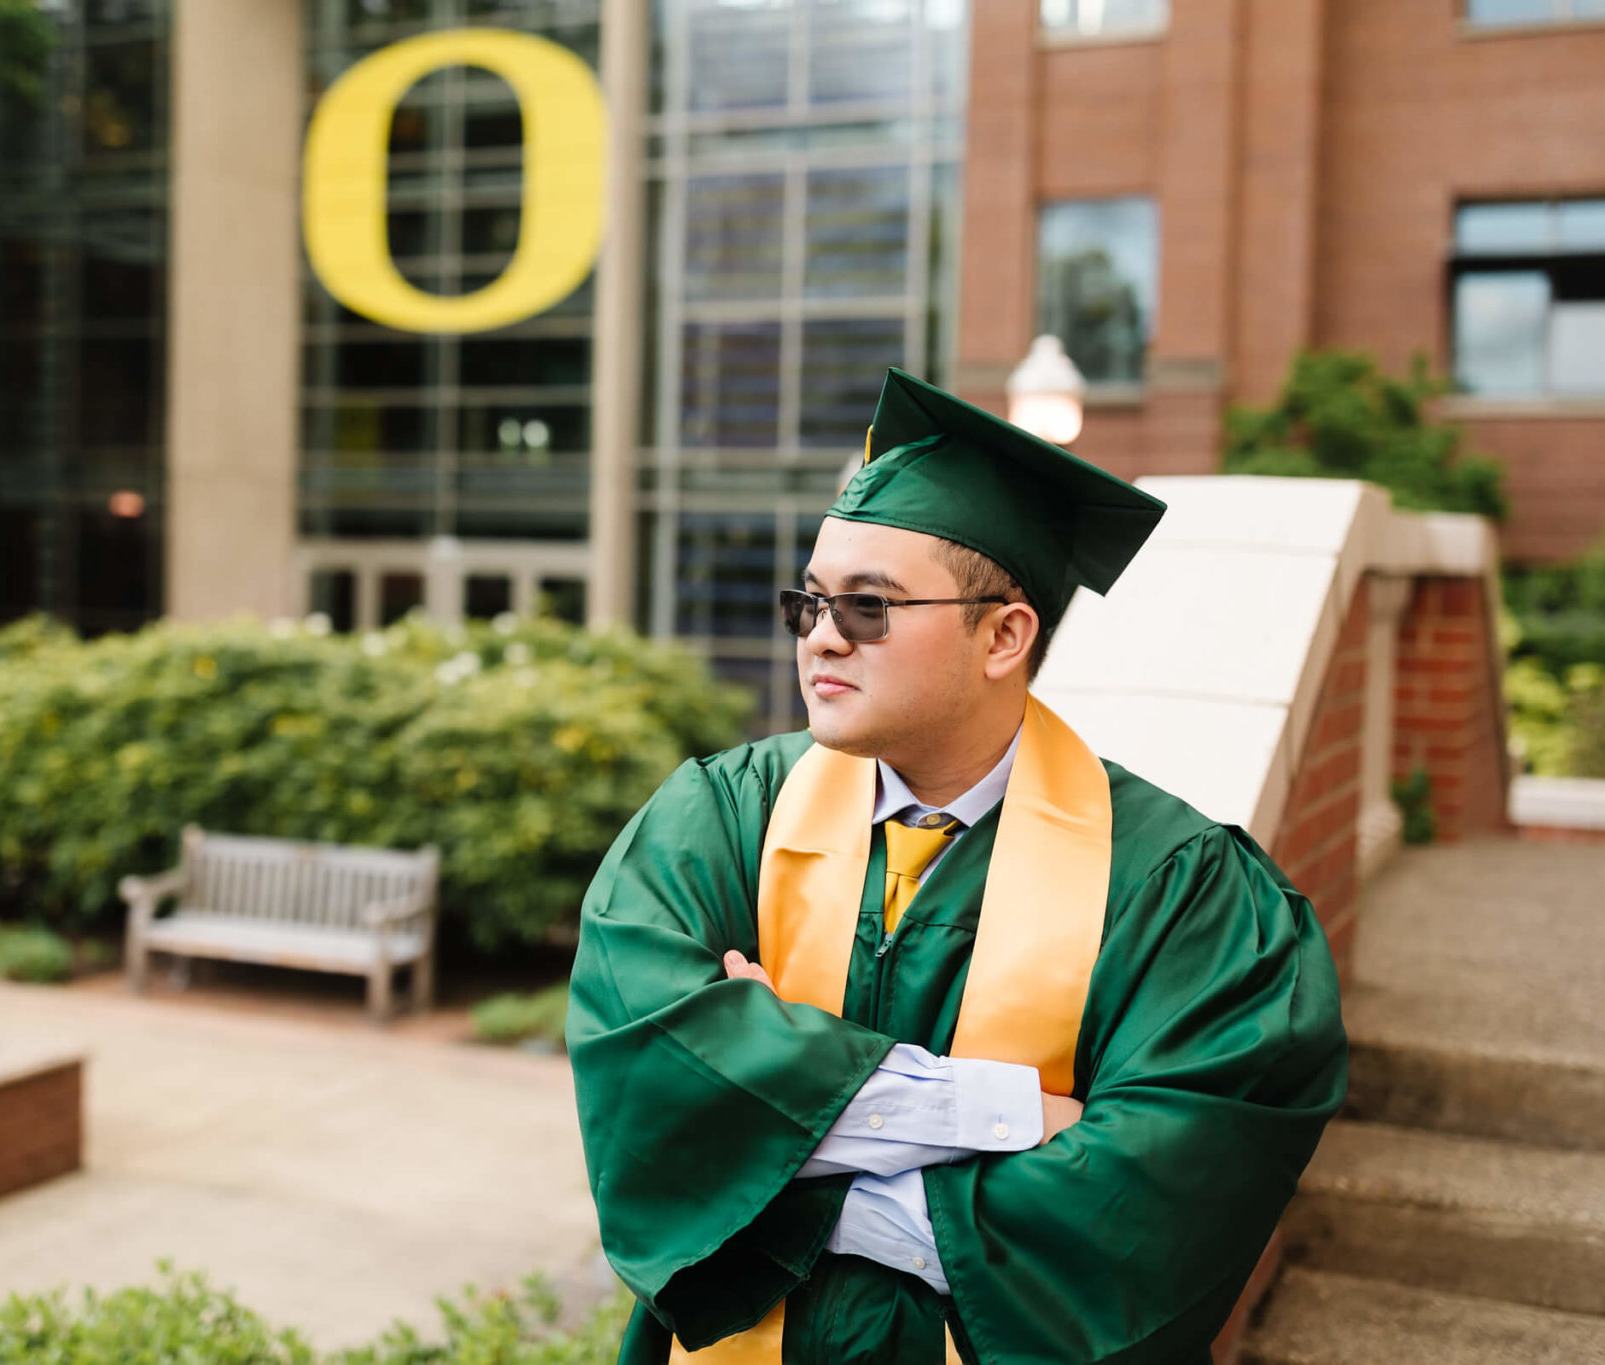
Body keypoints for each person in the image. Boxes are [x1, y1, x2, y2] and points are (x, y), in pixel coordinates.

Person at [567, 368, 1348, 1364]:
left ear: (1003, 637)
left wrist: (776, 1154)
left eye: (868, 607)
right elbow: (653, 1088)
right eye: (807, 600)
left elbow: (1153, 1199)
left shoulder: (1179, 891)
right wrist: (1010, 1113)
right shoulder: (719, 818)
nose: (819, 636)